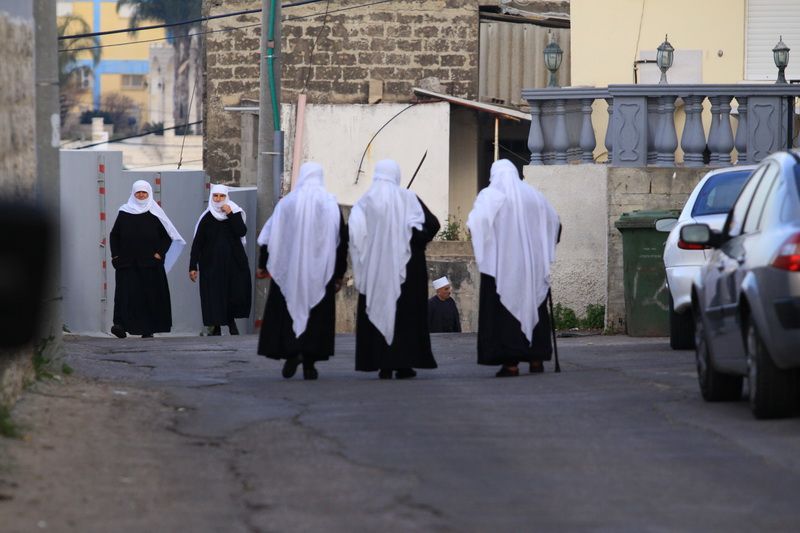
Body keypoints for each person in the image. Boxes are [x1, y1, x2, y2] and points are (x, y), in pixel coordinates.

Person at [466, 159, 560, 377]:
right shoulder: (534, 195)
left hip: (500, 267)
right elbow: (555, 223)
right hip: (532, 268)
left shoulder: (490, 196)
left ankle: (511, 364)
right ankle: (536, 359)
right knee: (535, 306)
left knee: (505, 313)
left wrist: (489, 244)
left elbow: (475, 224)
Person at [256, 162, 348, 380]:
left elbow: (269, 236)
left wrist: (263, 264)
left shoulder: (287, 203)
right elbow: (341, 242)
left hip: (288, 272)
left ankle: (291, 353)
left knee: (287, 312)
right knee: (316, 315)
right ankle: (310, 364)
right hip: (320, 273)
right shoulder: (330, 204)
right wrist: (338, 274)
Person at [349, 159, 440, 379]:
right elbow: (433, 224)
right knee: (406, 314)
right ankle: (404, 363)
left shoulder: (365, 201)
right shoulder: (408, 198)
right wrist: (414, 240)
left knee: (378, 307)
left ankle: (382, 363)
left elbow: (354, 232)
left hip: (375, 269)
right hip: (408, 270)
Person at [110, 180, 185, 339]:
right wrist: (115, 255)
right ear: (133, 193)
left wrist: (159, 253)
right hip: (127, 263)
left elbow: (167, 236)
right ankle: (120, 326)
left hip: (149, 264)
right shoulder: (124, 212)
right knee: (125, 295)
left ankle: (147, 329)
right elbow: (114, 235)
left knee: (148, 296)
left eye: (144, 192)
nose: (141, 195)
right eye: (138, 192)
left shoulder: (155, 212)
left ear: (149, 193)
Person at [189, 184, 252, 336]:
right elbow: (197, 243)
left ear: (226, 197)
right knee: (214, 295)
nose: (218, 199)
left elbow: (241, 231)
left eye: (221, 196)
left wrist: (230, 214)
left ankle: (231, 323)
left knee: (232, 293)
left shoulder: (235, 213)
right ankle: (215, 326)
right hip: (211, 265)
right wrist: (192, 266)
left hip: (233, 263)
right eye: (215, 196)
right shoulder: (206, 218)